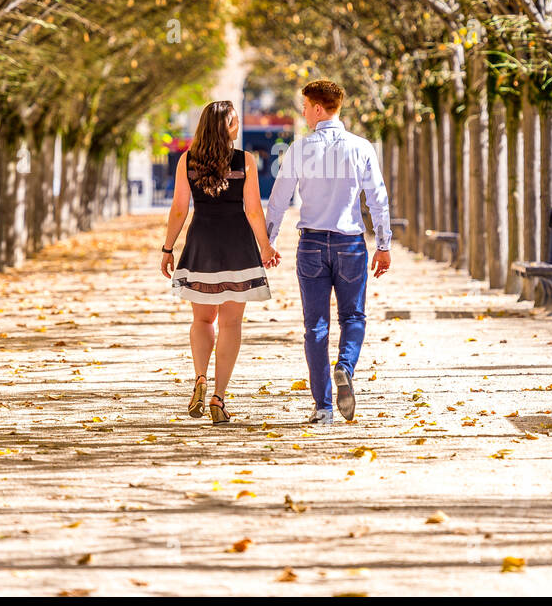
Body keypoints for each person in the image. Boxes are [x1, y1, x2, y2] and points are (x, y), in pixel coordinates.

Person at [265, 79, 392, 424]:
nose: (303, 113)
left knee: (315, 327)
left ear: (319, 108)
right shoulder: (361, 147)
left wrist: (268, 241)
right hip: (350, 243)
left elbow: (277, 202)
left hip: (311, 246)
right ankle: (345, 366)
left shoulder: (299, 149)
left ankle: (322, 409)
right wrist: (383, 244)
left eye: (305, 107)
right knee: (353, 318)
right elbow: (377, 200)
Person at [162, 101, 278, 425]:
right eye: (235, 122)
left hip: (202, 243)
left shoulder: (188, 161)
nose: (238, 127)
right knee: (230, 323)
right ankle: (218, 398)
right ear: (228, 128)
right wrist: (266, 247)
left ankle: (200, 378)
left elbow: (178, 209)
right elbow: (254, 210)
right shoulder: (245, 161)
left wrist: (167, 247)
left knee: (202, 320)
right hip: (237, 245)